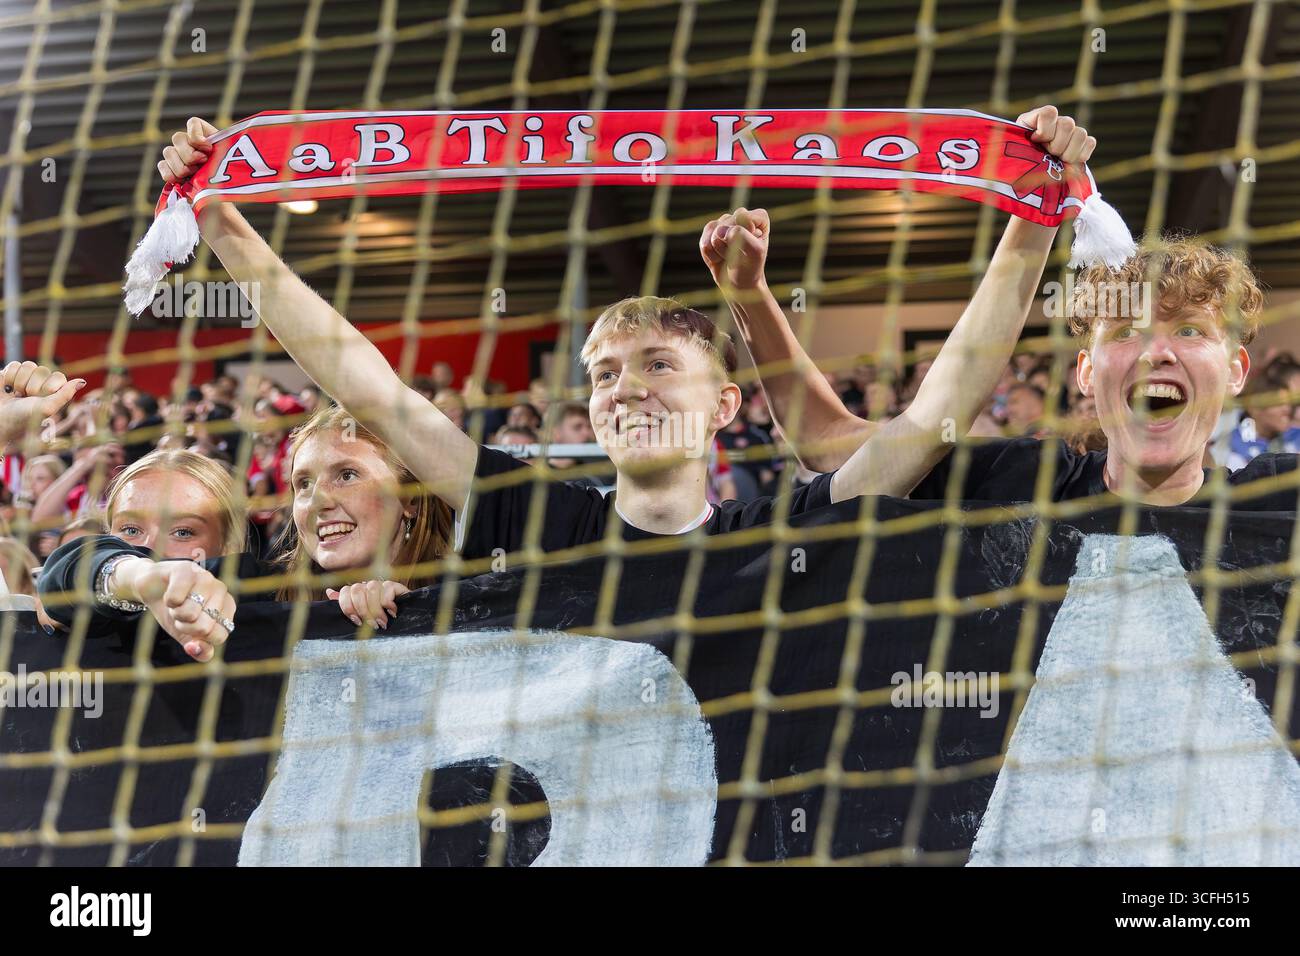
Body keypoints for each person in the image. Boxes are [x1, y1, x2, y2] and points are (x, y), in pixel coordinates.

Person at [156, 108, 1092, 557]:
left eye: (655, 364)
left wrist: (1032, 213)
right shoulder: (538, 515)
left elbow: (936, 412)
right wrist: (221, 221)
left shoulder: (786, 530)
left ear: (729, 402)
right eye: (602, 374)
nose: (624, 387)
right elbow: (363, 383)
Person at [276, 405, 454, 627]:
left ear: (411, 500)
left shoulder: (468, 593)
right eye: (305, 483)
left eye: (347, 475)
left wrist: (415, 612)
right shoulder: (269, 603)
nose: (317, 502)